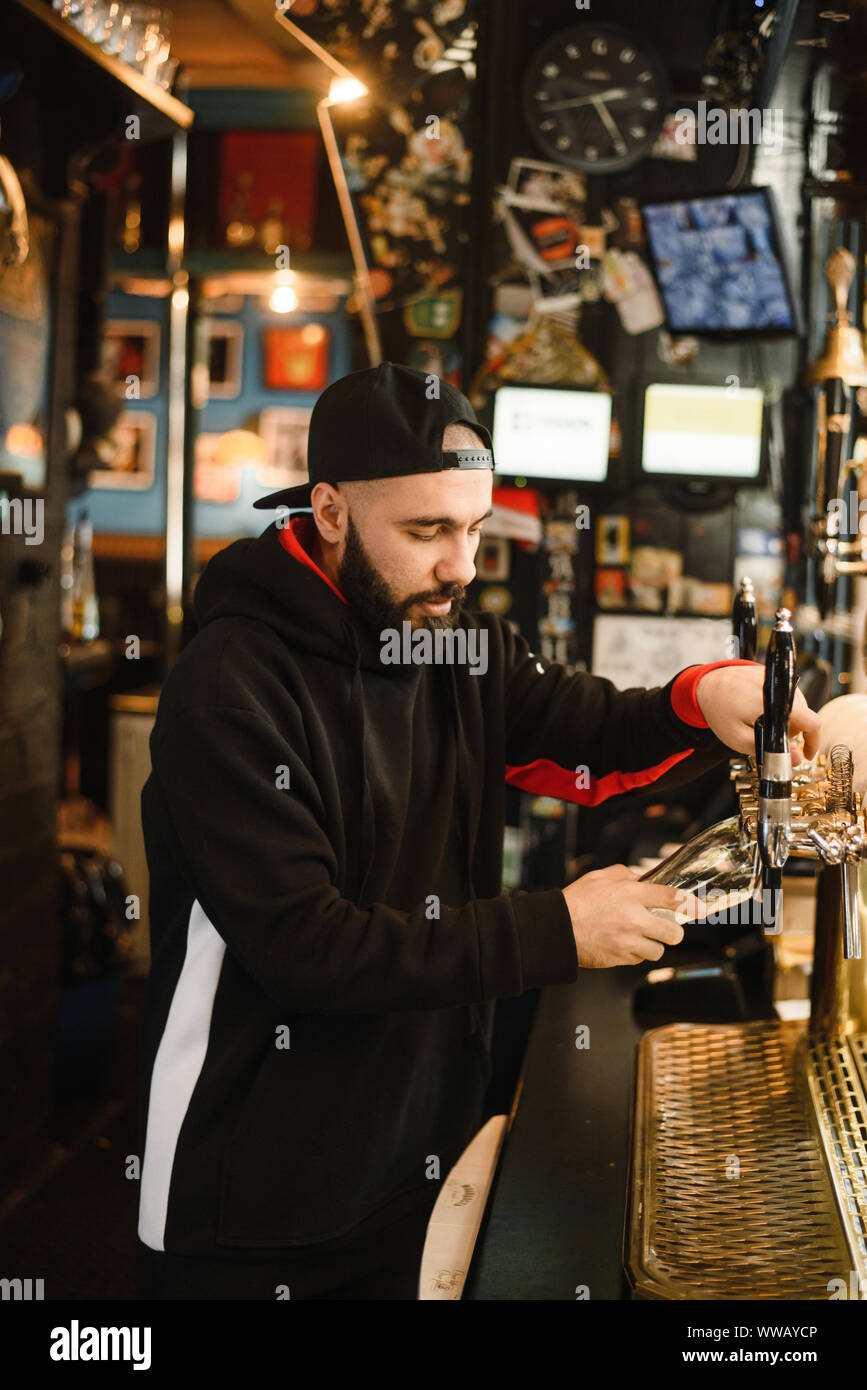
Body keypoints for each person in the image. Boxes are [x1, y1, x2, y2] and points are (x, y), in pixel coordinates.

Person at [135, 362, 820, 1301]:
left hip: (415, 1146)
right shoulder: (229, 690)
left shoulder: (448, 640)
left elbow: (588, 741)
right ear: (329, 511)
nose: (459, 565)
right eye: (426, 532)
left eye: (471, 529)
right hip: (257, 1189)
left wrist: (700, 697)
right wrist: (557, 931)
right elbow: (307, 949)